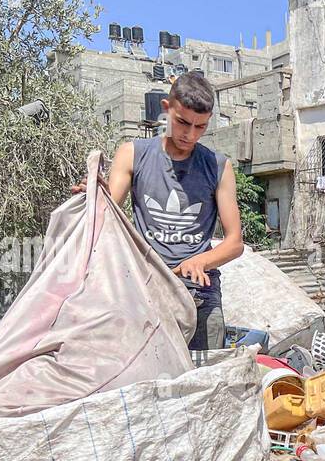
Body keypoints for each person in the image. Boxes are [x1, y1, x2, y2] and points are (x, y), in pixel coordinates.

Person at [103, 71, 243, 351]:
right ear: (166, 110)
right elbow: (107, 214)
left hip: (200, 296)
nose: (190, 134)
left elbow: (234, 243)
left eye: (200, 127)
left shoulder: (218, 166)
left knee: (206, 383)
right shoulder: (133, 153)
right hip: (147, 292)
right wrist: (93, 198)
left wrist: (201, 261)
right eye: (182, 123)